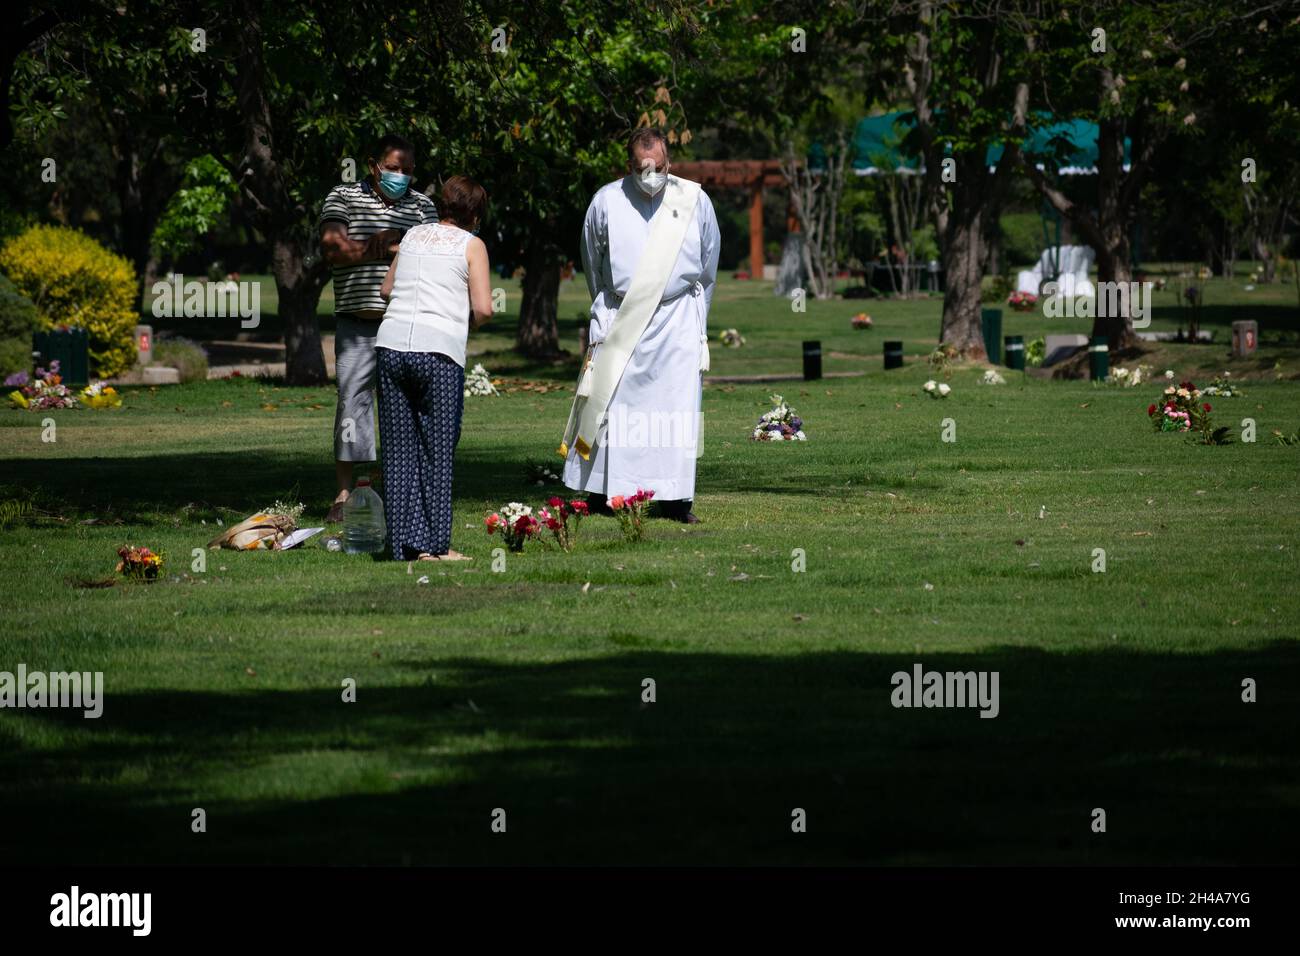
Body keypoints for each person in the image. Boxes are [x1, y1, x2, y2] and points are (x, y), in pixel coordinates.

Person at [558, 128, 720, 523]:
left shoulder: (695, 200)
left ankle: (676, 499)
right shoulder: (606, 201)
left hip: (675, 318)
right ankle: (601, 492)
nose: (651, 175)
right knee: (611, 407)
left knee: (675, 411)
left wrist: (697, 323)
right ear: (628, 165)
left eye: (659, 167)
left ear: (671, 163)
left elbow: (709, 266)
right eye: (641, 168)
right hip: (623, 314)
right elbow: (592, 264)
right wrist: (611, 308)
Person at [319, 134, 440, 522]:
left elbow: (433, 258)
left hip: (405, 323)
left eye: (407, 170)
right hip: (356, 323)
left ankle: (393, 492)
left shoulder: (423, 206)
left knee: (401, 408)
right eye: (392, 168)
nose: (400, 175)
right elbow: (332, 249)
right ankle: (343, 494)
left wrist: (385, 248)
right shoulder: (343, 196)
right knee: (351, 407)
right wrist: (381, 246)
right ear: (374, 165)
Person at [375, 175, 493, 561]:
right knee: (437, 448)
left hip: (391, 346)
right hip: (437, 353)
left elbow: (386, 290)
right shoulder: (472, 245)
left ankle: (400, 545)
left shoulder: (411, 236)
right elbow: (484, 308)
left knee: (397, 451)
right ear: (474, 215)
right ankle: (433, 544)